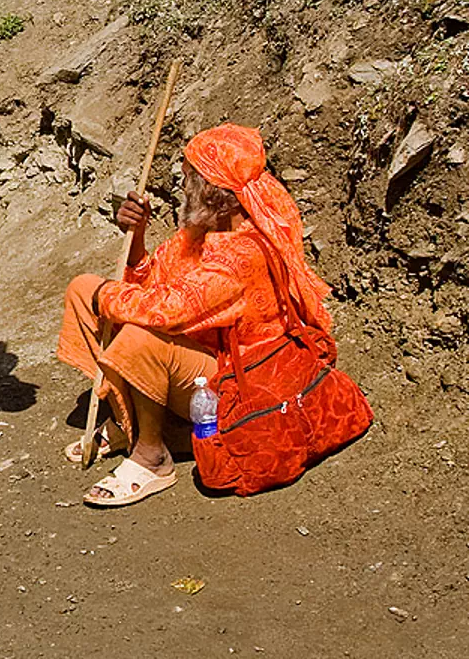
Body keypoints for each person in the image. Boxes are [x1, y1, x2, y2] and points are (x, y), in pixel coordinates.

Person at [57, 123, 335, 507]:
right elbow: (150, 282)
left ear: (213, 192)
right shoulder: (204, 233)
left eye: (190, 179)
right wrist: (136, 238)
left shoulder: (242, 254)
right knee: (82, 288)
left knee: (141, 335)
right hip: (202, 359)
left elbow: (166, 310)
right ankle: (130, 420)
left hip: (237, 385)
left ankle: (152, 457)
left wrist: (106, 297)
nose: (183, 187)